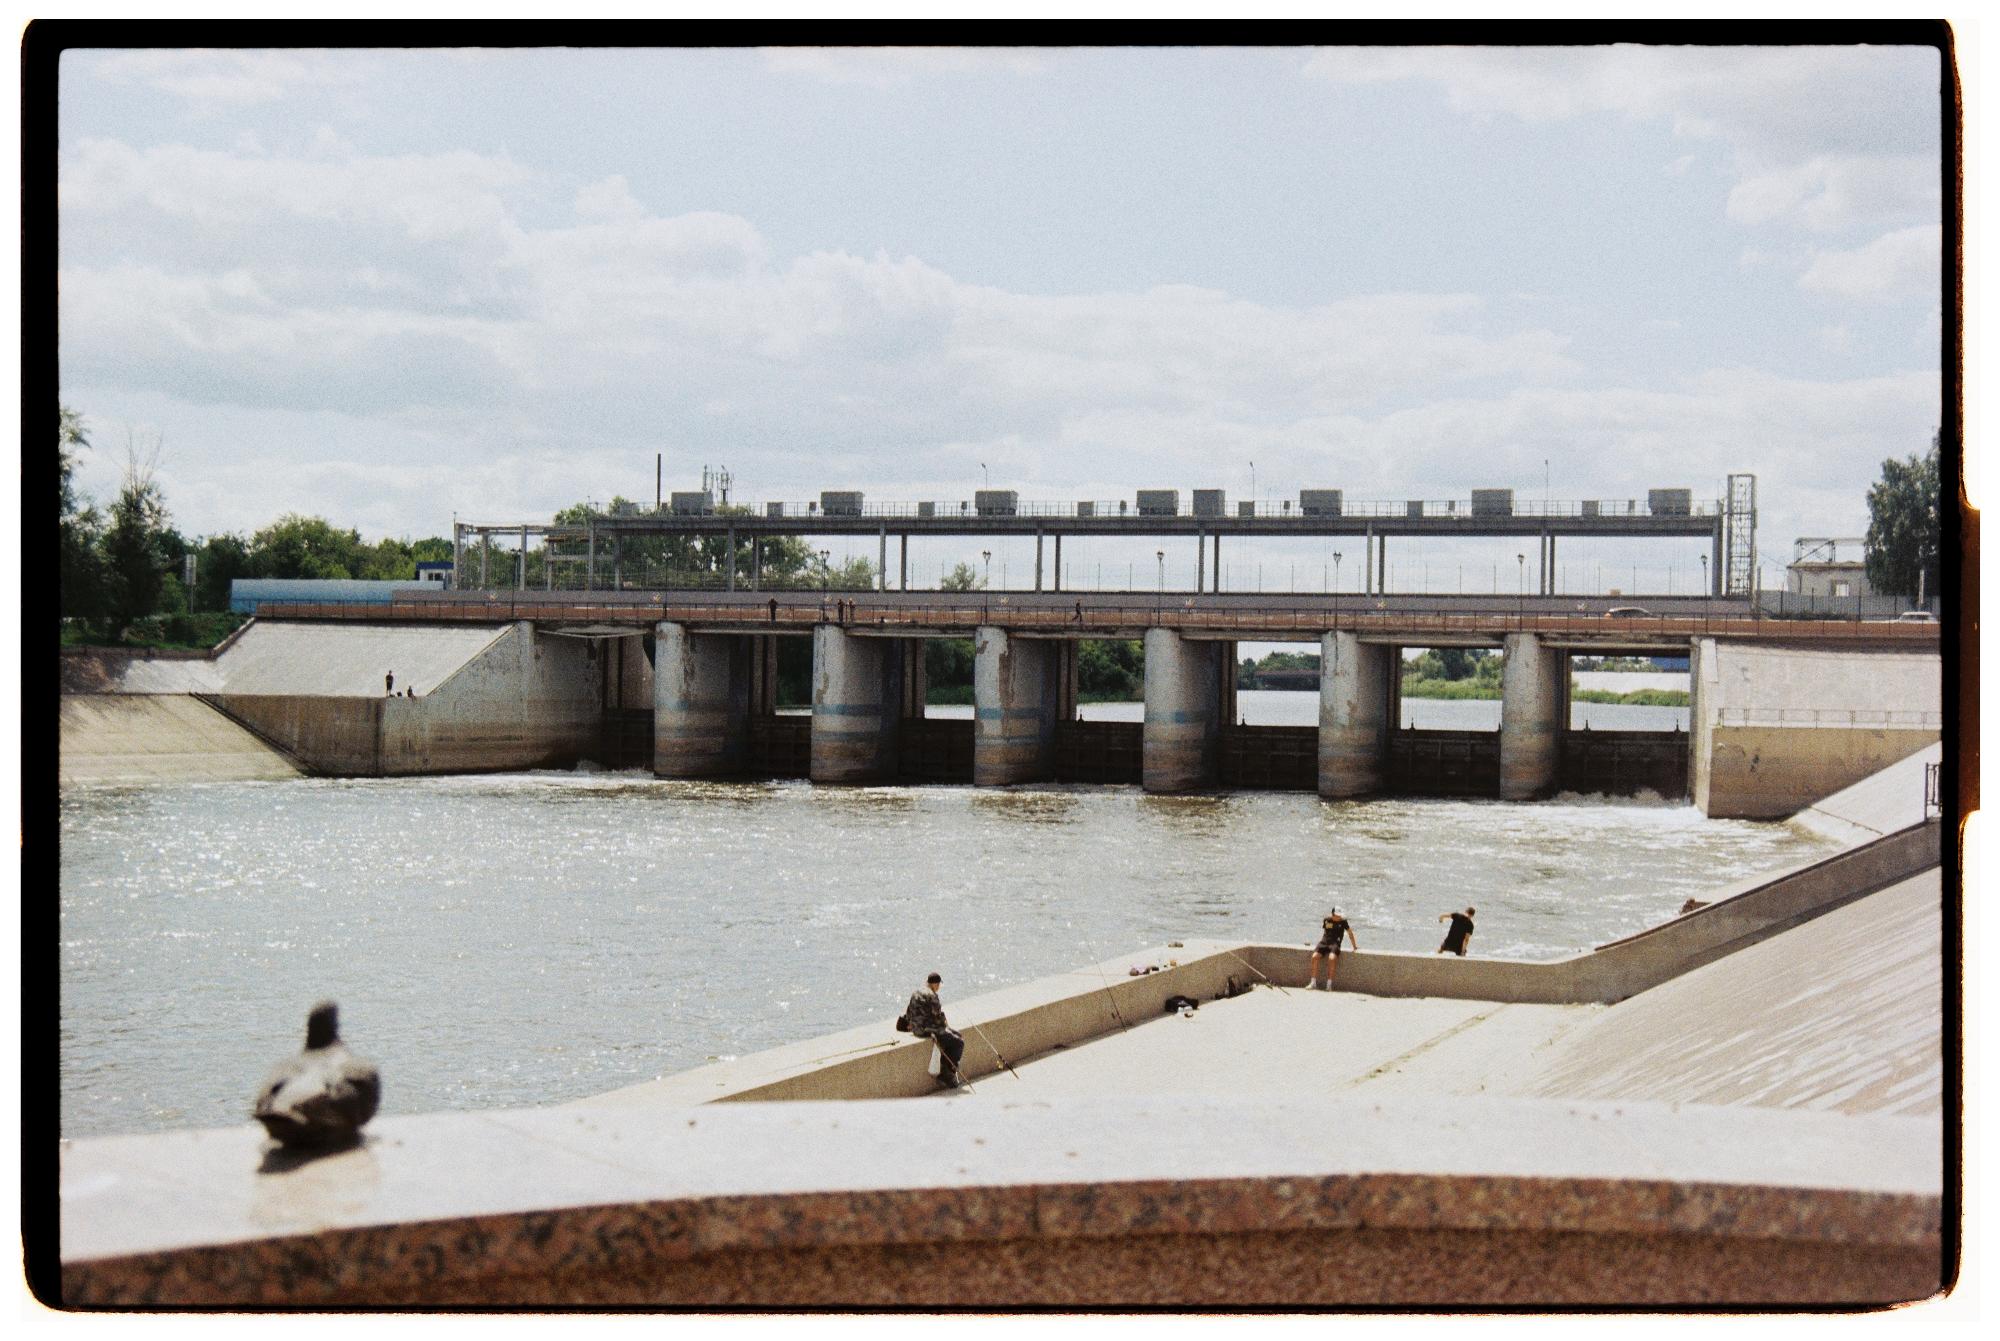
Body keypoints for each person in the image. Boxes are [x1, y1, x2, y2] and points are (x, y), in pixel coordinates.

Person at [903, 972, 965, 1088]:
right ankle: (947, 1073)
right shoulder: (932, 996)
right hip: (928, 1030)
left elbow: (908, 1014)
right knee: (959, 1042)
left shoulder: (916, 992)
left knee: (956, 1035)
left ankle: (947, 1069)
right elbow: (939, 1020)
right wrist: (944, 1023)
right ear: (935, 984)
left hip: (916, 1029)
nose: (939, 987)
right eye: (938, 985)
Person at [1310, 906, 1357, 989]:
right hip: (1324, 942)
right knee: (1314, 957)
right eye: (1336, 915)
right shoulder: (1326, 920)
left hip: (1335, 943)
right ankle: (1313, 983)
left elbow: (1350, 933)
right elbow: (1326, 932)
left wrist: (1354, 946)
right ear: (1332, 914)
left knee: (1331, 959)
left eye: (1339, 915)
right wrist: (1322, 944)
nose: (1338, 917)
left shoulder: (1343, 922)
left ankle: (1329, 985)